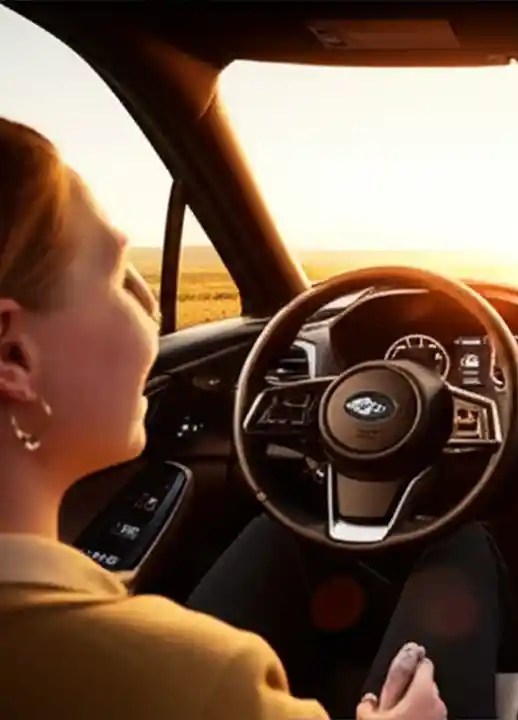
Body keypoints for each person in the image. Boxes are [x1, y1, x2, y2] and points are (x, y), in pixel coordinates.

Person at [0, 117, 491, 719]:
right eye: (115, 277)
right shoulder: (205, 681)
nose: (150, 302)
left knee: (282, 528)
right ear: (13, 356)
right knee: (464, 546)